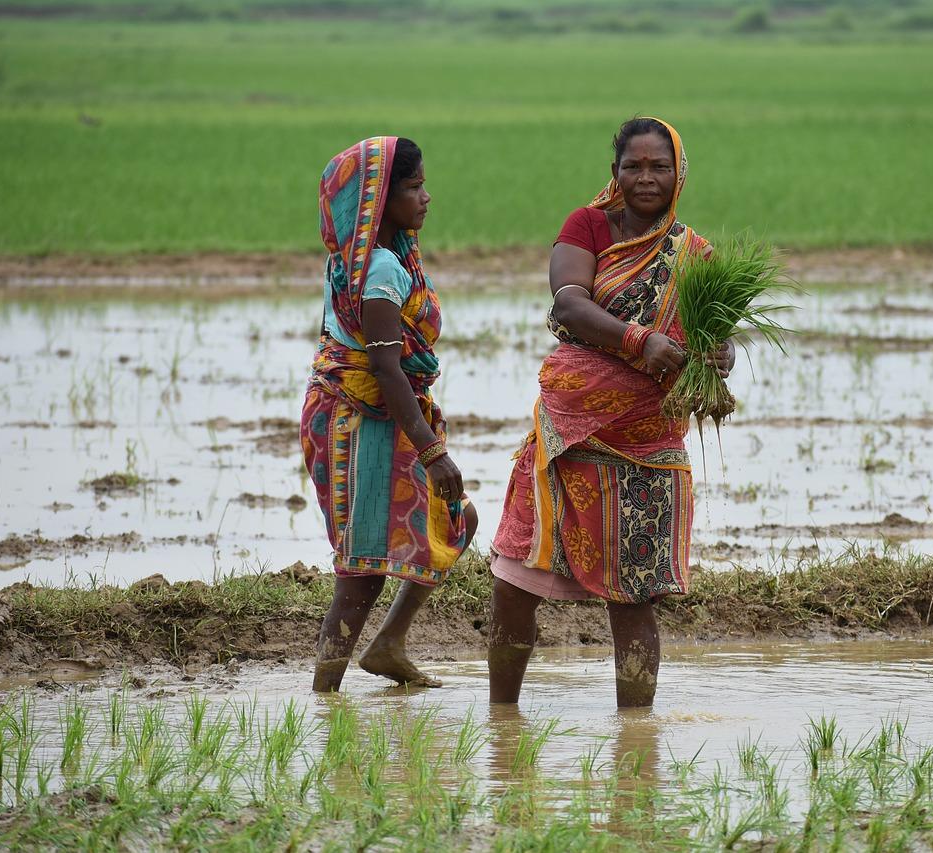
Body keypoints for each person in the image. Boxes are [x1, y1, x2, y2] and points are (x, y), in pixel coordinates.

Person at [487, 117, 733, 707]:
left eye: (659, 167)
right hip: (569, 435)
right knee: (516, 581)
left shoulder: (694, 254)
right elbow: (569, 303)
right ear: (614, 172)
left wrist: (720, 354)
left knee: (635, 598)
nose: (645, 178)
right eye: (633, 166)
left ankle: (637, 738)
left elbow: (716, 337)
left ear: (679, 174)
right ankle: (501, 716)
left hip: (648, 444)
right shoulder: (588, 226)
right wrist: (636, 341)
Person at [300, 136, 478, 693]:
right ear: (378, 202)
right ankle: (324, 694)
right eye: (413, 186)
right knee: (360, 572)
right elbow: (386, 370)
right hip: (359, 418)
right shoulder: (378, 270)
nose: (427, 196)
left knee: (457, 521)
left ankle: (389, 644)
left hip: (374, 414)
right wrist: (435, 451)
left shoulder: (375, 257)